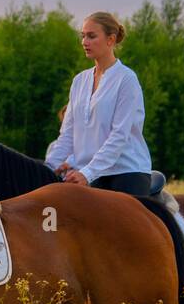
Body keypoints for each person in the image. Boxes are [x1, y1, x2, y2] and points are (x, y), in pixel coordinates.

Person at [44, 11, 153, 196]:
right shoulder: (79, 81)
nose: (84, 42)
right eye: (83, 36)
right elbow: (68, 135)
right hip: (87, 174)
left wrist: (87, 173)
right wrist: (47, 168)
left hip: (125, 173)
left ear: (111, 39)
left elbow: (119, 136)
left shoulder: (127, 79)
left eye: (91, 36)